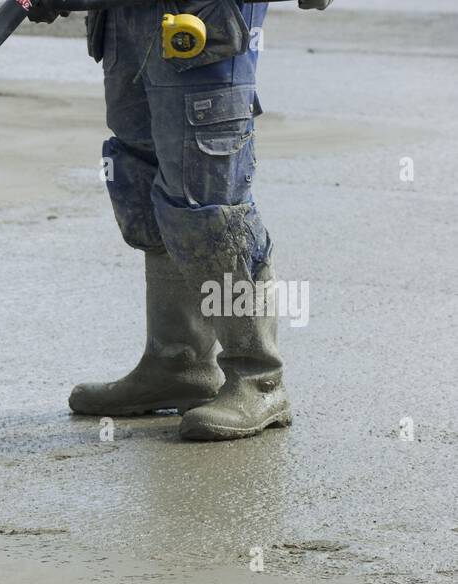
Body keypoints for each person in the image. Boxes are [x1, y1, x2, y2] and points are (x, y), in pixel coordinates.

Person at [29, 0, 332, 440]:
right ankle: (177, 364)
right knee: (143, 173)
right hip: (122, 18)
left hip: (204, 11)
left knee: (208, 201)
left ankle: (259, 377)